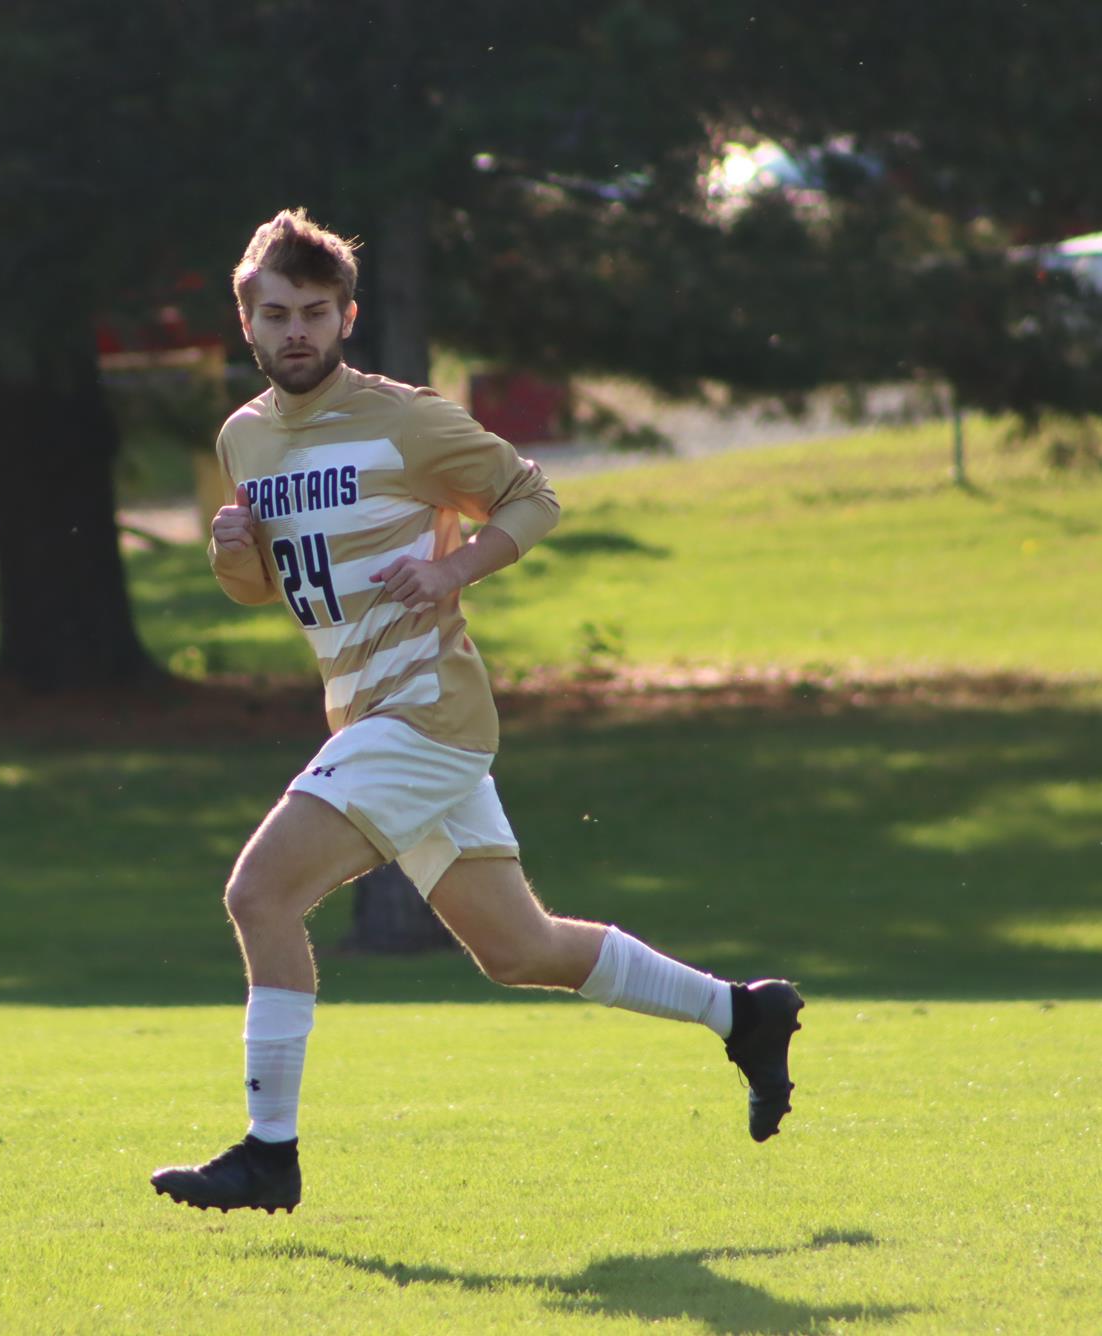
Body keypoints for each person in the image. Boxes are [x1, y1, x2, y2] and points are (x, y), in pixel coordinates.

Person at [150, 209, 803, 1215]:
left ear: (347, 317)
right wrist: (231, 550)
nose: (296, 332)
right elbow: (258, 587)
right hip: (370, 720)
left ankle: (267, 1155)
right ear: (246, 323)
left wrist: (453, 569)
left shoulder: (406, 420)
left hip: (423, 714)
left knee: (259, 895)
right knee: (519, 949)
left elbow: (533, 497)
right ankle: (741, 1014)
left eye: (315, 313)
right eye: (276, 314)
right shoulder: (244, 438)